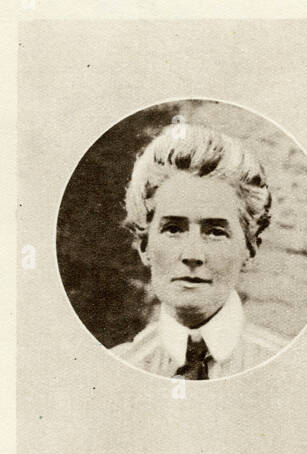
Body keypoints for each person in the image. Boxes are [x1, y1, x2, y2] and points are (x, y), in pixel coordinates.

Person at [112, 123, 288, 379]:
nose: (192, 255)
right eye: (173, 229)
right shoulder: (117, 369)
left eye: (216, 232)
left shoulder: (288, 367)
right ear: (144, 246)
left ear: (250, 249)